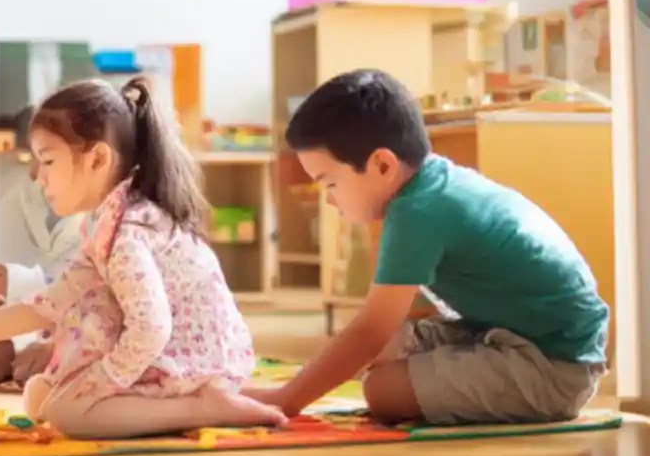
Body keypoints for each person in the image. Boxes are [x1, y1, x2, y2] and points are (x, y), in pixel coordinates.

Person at [0, 77, 286, 439]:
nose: (38, 175)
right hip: (160, 353)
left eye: (48, 161)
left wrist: (101, 381)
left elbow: (152, 329)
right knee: (39, 395)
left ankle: (205, 408)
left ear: (98, 160)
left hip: (186, 359)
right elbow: (46, 307)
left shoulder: (127, 237)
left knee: (69, 414)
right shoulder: (106, 225)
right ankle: (192, 401)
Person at [247, 69, 608, 425]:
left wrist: (284, 401)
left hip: (554, 367)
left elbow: (370, 332)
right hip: (511, 333)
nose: (329, 201)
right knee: (385, 354)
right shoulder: (430, 185)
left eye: (330, 184)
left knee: (382, 391)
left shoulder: (418, 210)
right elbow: (380, 334)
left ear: (382, 165)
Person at [0, 157, 84, 390]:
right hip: (57, 288)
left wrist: (57, 345)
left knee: (38, 376)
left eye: (47, 159)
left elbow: (105, 308)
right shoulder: (52, 201)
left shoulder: (113, 216)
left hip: (92, 314)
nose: (34, 173)